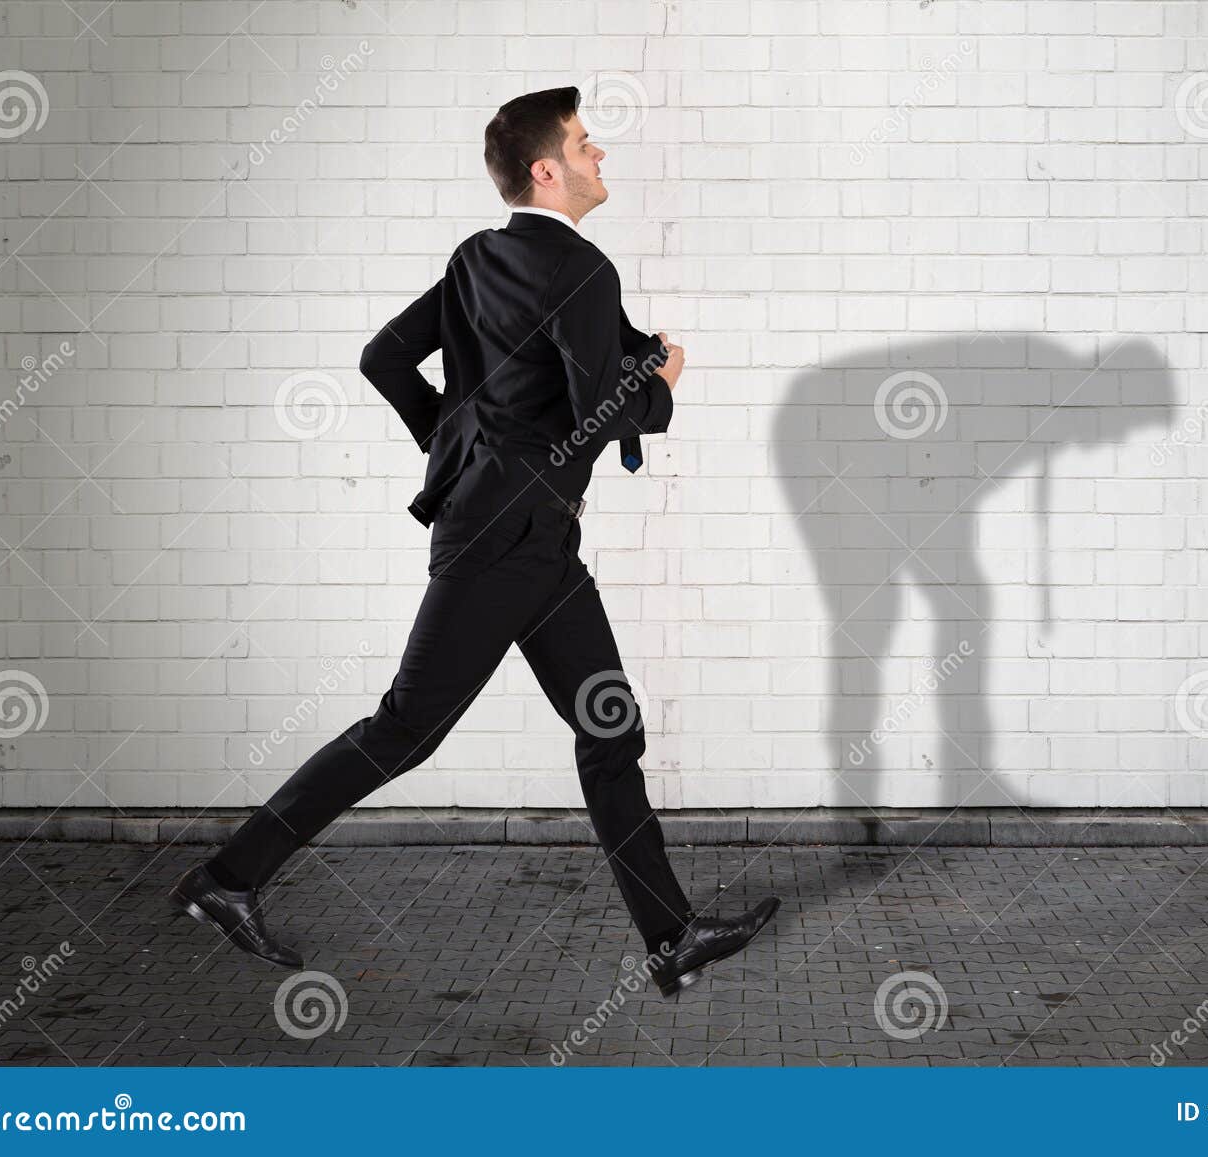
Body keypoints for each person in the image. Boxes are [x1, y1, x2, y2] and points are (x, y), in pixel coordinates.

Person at [170, 86, 779, 998]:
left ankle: (670, 936)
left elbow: (386, 357)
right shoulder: (582, 271)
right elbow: (591, 407)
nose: (599, 154)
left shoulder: (476, 259)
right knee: (403, 729)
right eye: (584, 143)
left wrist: (458, 446)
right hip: (510, 537)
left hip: (531, 539)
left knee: (610, 724)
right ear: (547, 170)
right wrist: (662, 385)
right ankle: (226, 879)